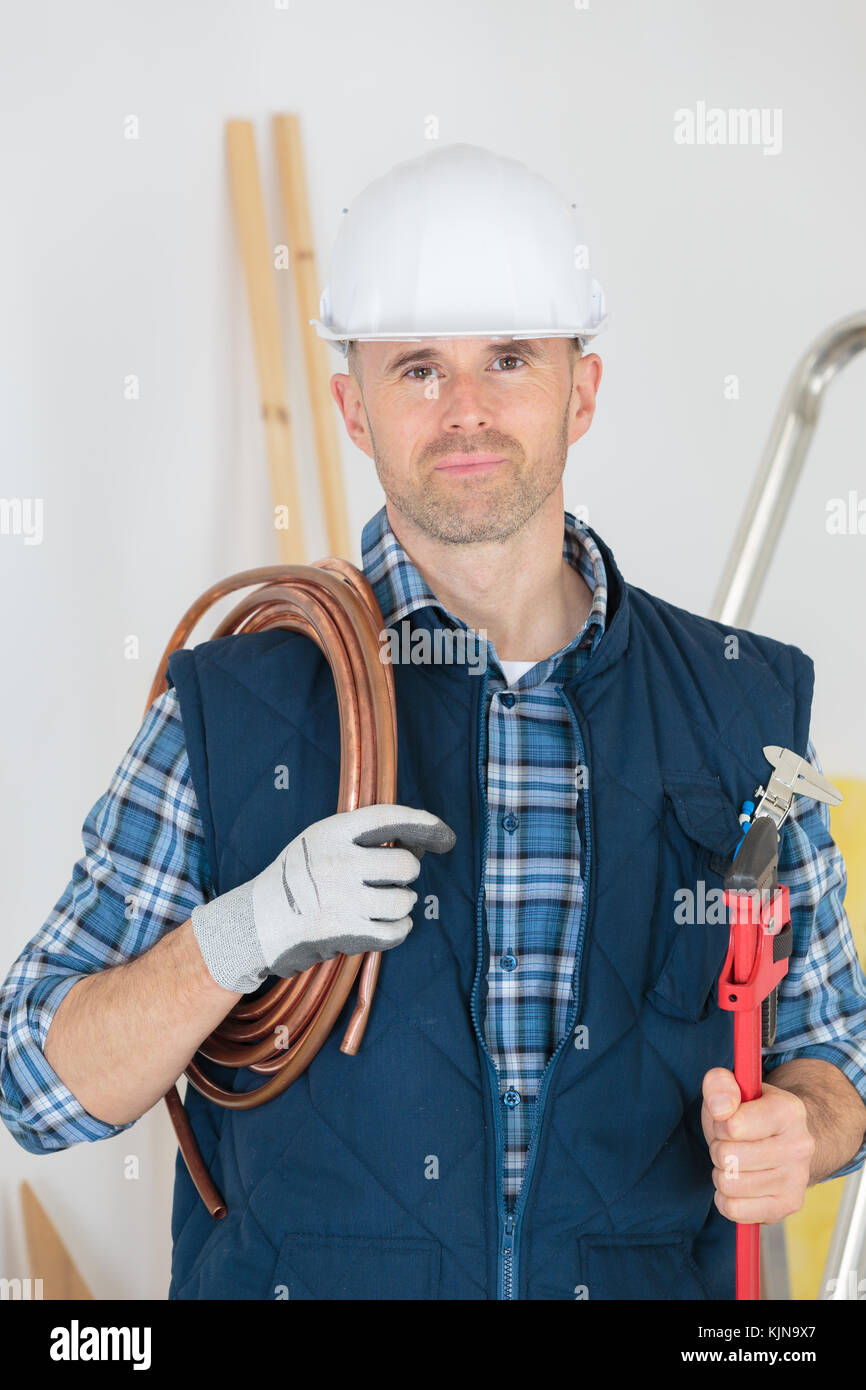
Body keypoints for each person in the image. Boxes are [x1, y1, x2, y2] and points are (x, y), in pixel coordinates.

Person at [2, 143, 865, 1301]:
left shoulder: (741, 709)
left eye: (508, 357)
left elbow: (833, 1052)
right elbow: (35, 1083)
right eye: (416, 368)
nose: (465, 408)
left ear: (582, 388)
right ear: (352, 408)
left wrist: (801, 1132)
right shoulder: (231, 709)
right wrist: (237, 938)